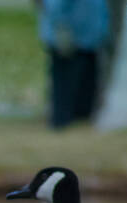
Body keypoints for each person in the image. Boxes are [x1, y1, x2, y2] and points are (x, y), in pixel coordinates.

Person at [37, 0, 111, 129]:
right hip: (69, 39)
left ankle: (80, 118)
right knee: (64, 83)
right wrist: (61, 30)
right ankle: (60, 121)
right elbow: (55, 7)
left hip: (89, 40)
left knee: (84, 83)